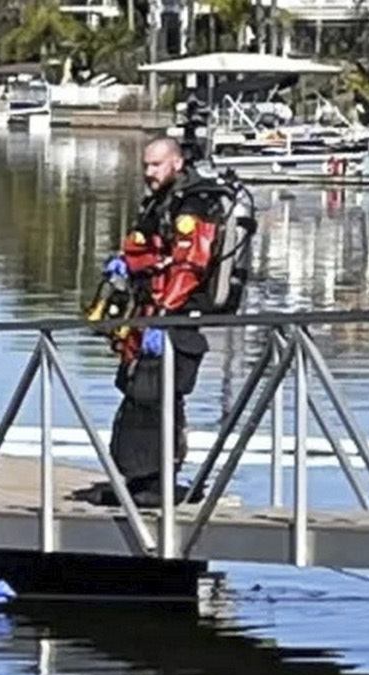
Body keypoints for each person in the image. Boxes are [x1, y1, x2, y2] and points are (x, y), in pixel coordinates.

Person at [97, 136, 223, 507]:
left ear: (177, 163)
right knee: (135, 389)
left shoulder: (193, 205)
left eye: (156, 165)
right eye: (146, 166)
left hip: (172, 314)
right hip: (148, 309)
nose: (149, 173)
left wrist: (165, 313)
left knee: (160, 394)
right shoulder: (160, 201)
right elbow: (148, 248)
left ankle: (160, 481)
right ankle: (136, 478)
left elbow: (190, 264)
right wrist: (124, 265)